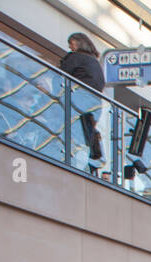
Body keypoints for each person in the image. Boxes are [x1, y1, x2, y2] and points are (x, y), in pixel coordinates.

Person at [60, 33, 105, 172]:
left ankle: (69, 162)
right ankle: (89, 163)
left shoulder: (75, 58)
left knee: (68, 133)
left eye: (71, 43)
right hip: (95, 105)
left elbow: (61, 78)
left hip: (77, 100)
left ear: (79, 43)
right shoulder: (94, 62)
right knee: (83, 134)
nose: (69, 47)